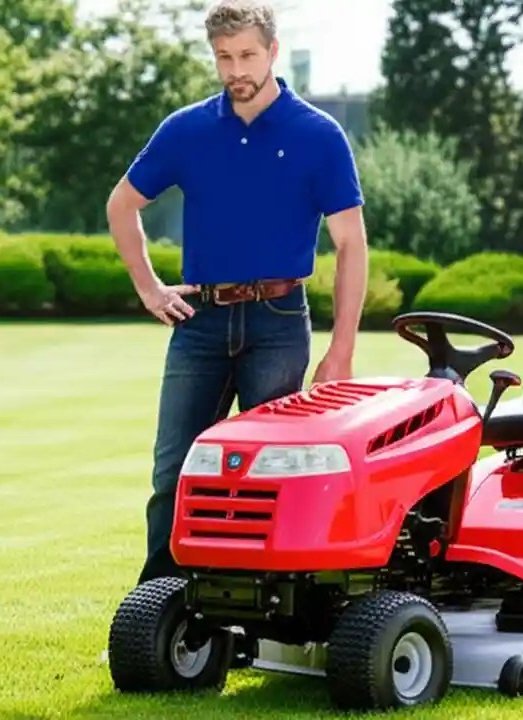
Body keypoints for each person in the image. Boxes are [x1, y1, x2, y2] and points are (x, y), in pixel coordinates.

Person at [106, 0, 369, 585]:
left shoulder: (318, 136)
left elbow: (350, 243)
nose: (235, 70)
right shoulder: (187, 129)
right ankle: (158, 619)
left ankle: (259, 616)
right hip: (198, 322)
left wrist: (341, 348)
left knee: (270, 476)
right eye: (224, 58)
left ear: (273, 53)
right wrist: (149, 288)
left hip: (279, 322)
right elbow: (122, 204)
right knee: (173, 474)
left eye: (247, 55)